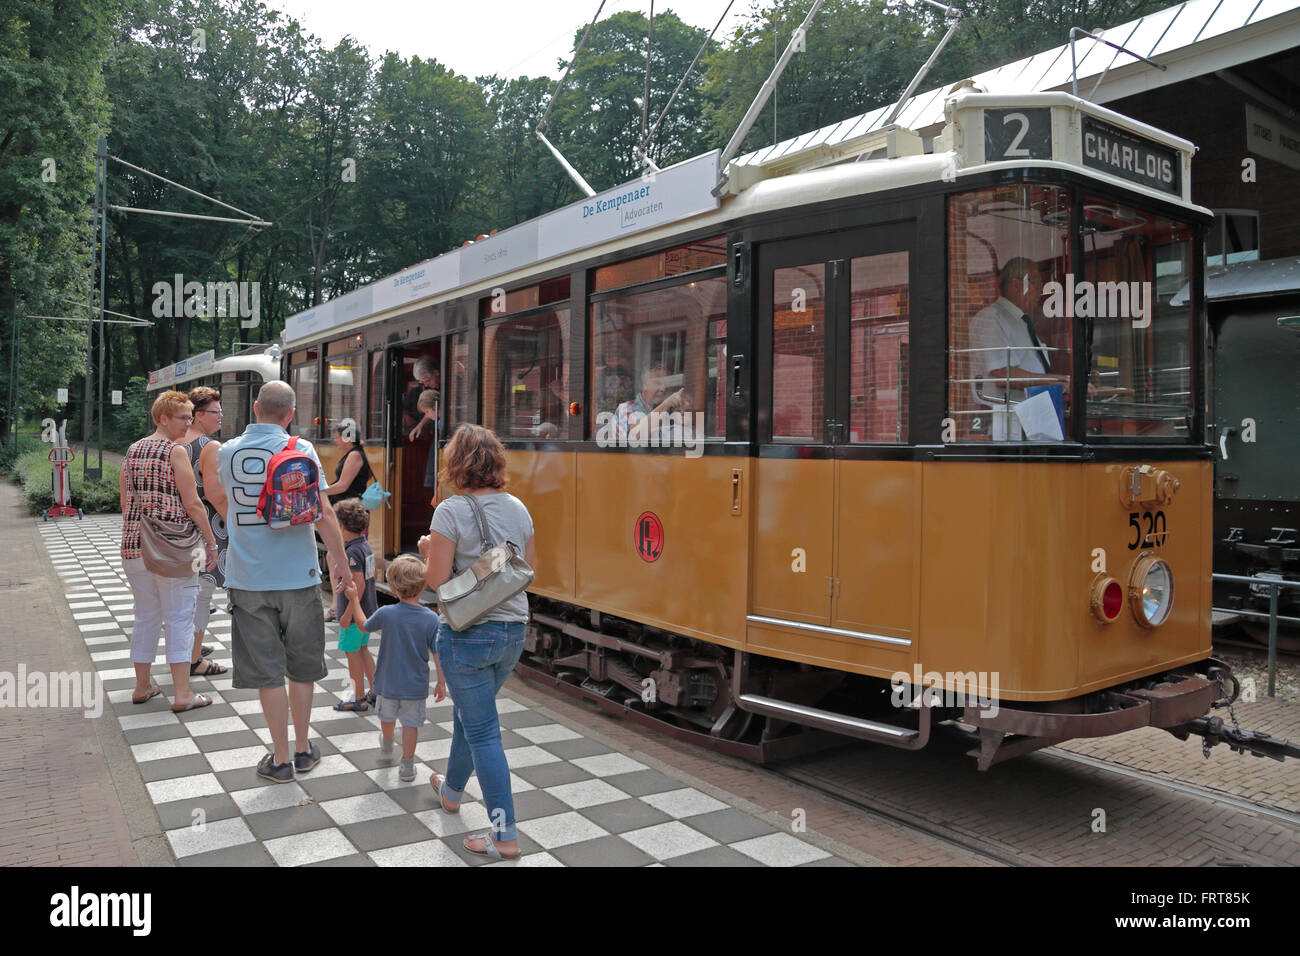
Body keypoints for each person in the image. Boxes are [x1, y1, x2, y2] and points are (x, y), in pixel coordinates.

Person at [217, 380, 352, 783]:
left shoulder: (226, 452)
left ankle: (279, 759)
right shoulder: (302, 450)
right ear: (291, 415)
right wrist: (340, 563)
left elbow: (226, 500)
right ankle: (303, 748)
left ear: (255, 408)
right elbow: (325, 514)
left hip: (247, 578)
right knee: (302, 667)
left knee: (267, 672)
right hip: (300, 576)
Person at [421, 423, 535, 860]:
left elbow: (435, 580)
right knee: (474, 717)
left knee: (484, 730)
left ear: (456, 463)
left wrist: (428, 548)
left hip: (466, 633)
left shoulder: (450, 511)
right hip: (512, 630)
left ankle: (504, 835)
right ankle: (451, 792)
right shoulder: (519, 508)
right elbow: (523, 572)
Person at [119, 390, 219, 712]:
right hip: (174, 550)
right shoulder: (175, 452)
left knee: (145, 616)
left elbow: (125, 503)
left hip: (134, 547)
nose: (188, 423)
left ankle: (142, 685)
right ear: (163, 418)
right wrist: (211, 541)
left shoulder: (132, 451)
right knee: (179, 618)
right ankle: (182, 694)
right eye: (182, 417)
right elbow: (192, 503)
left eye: (191, 417)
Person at [342, 554, 446, 782]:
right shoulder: (431, 619)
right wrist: (441, 680)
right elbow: (438, 652)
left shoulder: (386, 613)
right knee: (411, 724)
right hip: (415, 685)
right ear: (423, 585)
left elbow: (362, 626)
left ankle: (387, 746)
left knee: (387, 717)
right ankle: (407, 765)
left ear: (391, 585)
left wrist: (354, 600)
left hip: (386, 682)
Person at [181, 386, 229, 678]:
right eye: (216, 411)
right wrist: (235, 525)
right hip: (206, 529)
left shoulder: (173, 443)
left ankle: (188, 647)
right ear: (198, 415)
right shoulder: (208, 447)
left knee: (185, 594)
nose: (221, 415)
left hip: (177, 530)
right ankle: (194, 658)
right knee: (202, 594)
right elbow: (214, 493)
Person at [331, 498, 377, 712]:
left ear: (341, 526)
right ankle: (376, 690)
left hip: (355, 613)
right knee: (362, 649)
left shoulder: (351, 552)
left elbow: (357, 583)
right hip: (367, 611)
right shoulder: (364, 546)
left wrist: (348, 613)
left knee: (352, 653)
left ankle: (358, 697)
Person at [614, 364, 691, 444]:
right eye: (657, 383)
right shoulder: (625, 409)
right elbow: (633, 438)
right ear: (644, 385)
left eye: (667, 384)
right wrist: (665, 405)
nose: (663, 389)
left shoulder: (671, 412)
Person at [323, 418, 373, 504]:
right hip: (348, 505)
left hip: (349, 507)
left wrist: (319, 492)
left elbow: (342, 486)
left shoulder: (355, 455)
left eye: (337, 437)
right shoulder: (356, 453)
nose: (335, 440)